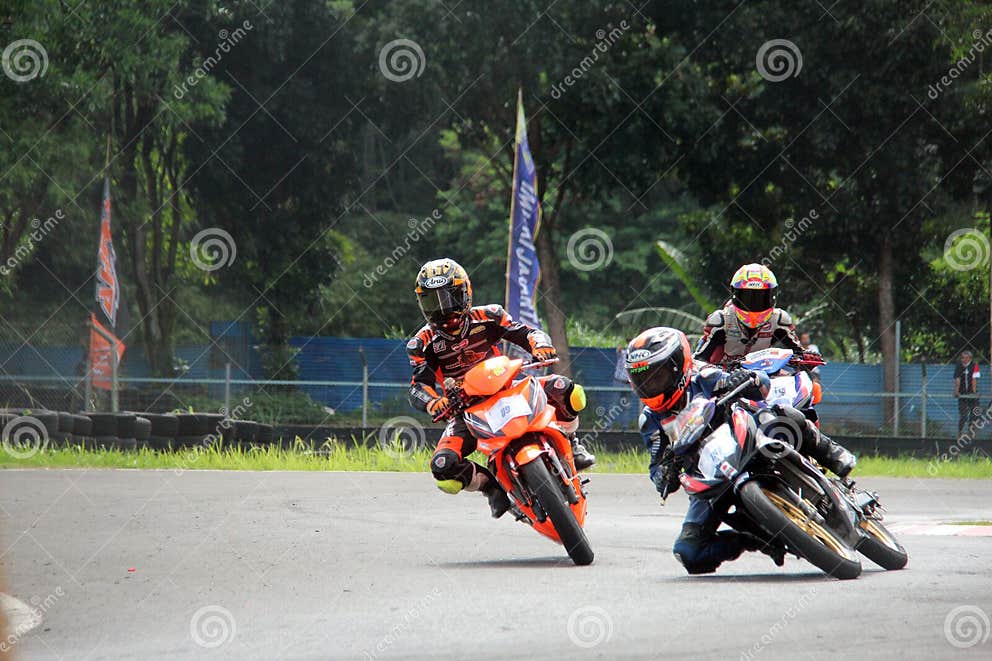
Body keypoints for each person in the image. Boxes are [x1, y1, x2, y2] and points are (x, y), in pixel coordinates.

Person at [626, 326, 857, 575]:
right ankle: (751, 538)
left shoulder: (702, 375)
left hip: (745, 436)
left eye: (656, 376)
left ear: (677, 366)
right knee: (687, 552)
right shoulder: (650, 421)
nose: (649, 385)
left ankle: (831, 453)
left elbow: (756, 382)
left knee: (778, 414)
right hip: (711, 479)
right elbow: (656, 466)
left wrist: (749, 379)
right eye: (643, 380)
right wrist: (664, 476)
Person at [407, 258, 594, 518]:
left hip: (508, 387)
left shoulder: (490, 315)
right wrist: (433, 402)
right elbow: (418, 386)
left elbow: (527, 332)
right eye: (432, 302)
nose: (444, 310)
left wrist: (539, 345)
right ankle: (490, 487)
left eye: (449, 299)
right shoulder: (421, 343)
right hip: (465, 409)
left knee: (569, 391)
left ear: (466, 293)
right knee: (443, 467)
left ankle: (573, 444)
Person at [694, 263, 807, 367]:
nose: (754, 304)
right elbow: (698, 359)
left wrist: (807, 358)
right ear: (734, 295)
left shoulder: (779, 320)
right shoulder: (721, 320)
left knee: (809, 382)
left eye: (760, 298)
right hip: (723, 378)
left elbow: (800, 355)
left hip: (764, 376)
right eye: (747, 298)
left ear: (773, 296)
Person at [954, 350, 981, 440]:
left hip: (972, 394)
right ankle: (960, 431)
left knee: (975, 414)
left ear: (970, 358)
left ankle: (971, 432)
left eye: (965, 358)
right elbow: (957, 379)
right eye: (962, 357)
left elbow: (974, 379)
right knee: (964, 415)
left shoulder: (975, 366)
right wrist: (956, 391)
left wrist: (974, 392)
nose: (963, 359)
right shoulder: (959, 365)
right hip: (962, 394)